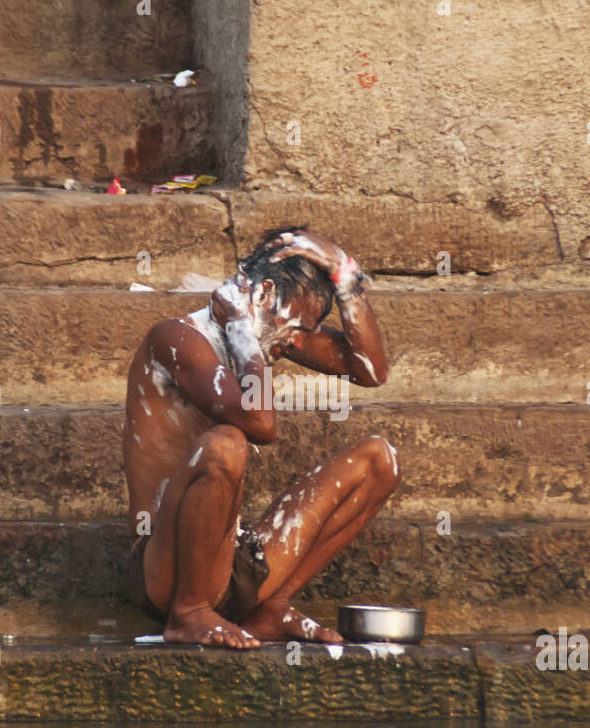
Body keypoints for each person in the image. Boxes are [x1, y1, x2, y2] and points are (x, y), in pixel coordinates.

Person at [123, 227, 399, 648]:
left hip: (230, 564)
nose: (296, 340)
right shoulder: (175, 339)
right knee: (226, 445)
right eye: (298, 327)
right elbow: (259, 423)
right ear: (264, 294)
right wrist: (241, 330)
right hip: (165, 569)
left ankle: (266, 608)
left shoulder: (270, 331)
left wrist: (346, 275)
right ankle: (188, 613)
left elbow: (370, 370)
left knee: (379, 460)